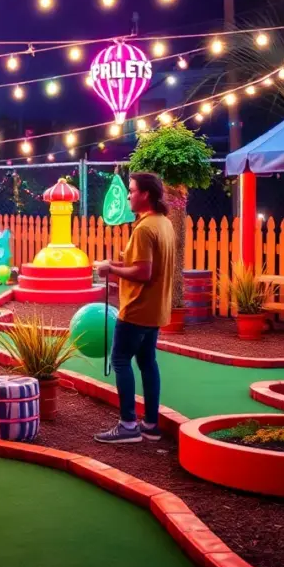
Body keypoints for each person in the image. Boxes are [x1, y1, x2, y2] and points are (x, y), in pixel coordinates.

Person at [92, 172, 176, 444]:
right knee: (147, 363)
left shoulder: (144, 229)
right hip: (154, 309)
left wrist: (109, 268)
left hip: (137, 308)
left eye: (131, 190)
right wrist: (120, 261)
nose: (128, 195)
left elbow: (143, 272)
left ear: (145, 194)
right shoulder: (163, 223)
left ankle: (128, 425)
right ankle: (150, 424)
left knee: (120, 360)